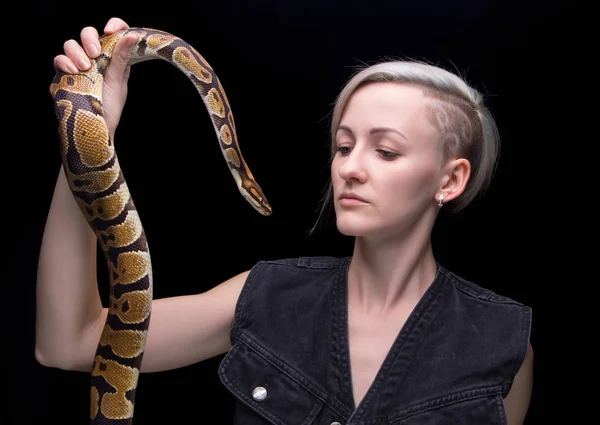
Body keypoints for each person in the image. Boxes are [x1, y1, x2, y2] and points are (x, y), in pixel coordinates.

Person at [36, 17, 534, 425]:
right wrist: (86, 140)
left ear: (451, 180)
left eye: (385, 150)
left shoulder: (504, 341)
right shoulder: (263, 294)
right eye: (343, 145)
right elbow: (68, 343)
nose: (350, 167)